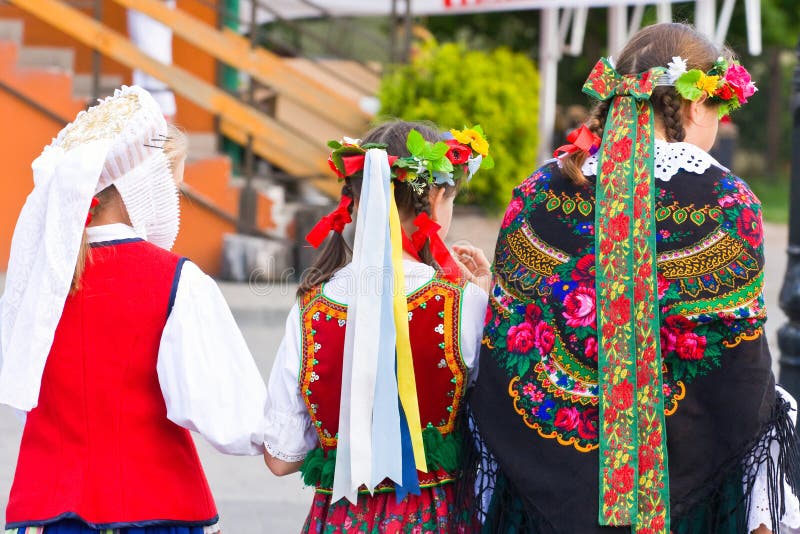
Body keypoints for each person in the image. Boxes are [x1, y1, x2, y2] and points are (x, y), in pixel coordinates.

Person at [462, 23, 800, 534]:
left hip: (542, 482)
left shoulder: (536, 192)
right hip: (680, 495)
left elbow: (510, 336)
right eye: (720, 109)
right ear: (694, 105)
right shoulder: (728, 201)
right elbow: (736, 365)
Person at [0, 86, 268, 533]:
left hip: (50, 515)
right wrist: (288, 437)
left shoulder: (36, 285)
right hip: (155, 511)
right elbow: (227, 413)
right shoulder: (178, 281)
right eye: (173, 190)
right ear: (146, 188)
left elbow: (22, 395)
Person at [262, 120, 491, 532]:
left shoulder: (311, 308)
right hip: (435, 518)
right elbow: (497, 425)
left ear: (355, 200)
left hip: (339, 519)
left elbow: (280, 458)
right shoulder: (463, 304)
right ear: (435, 197)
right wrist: (488, 297)